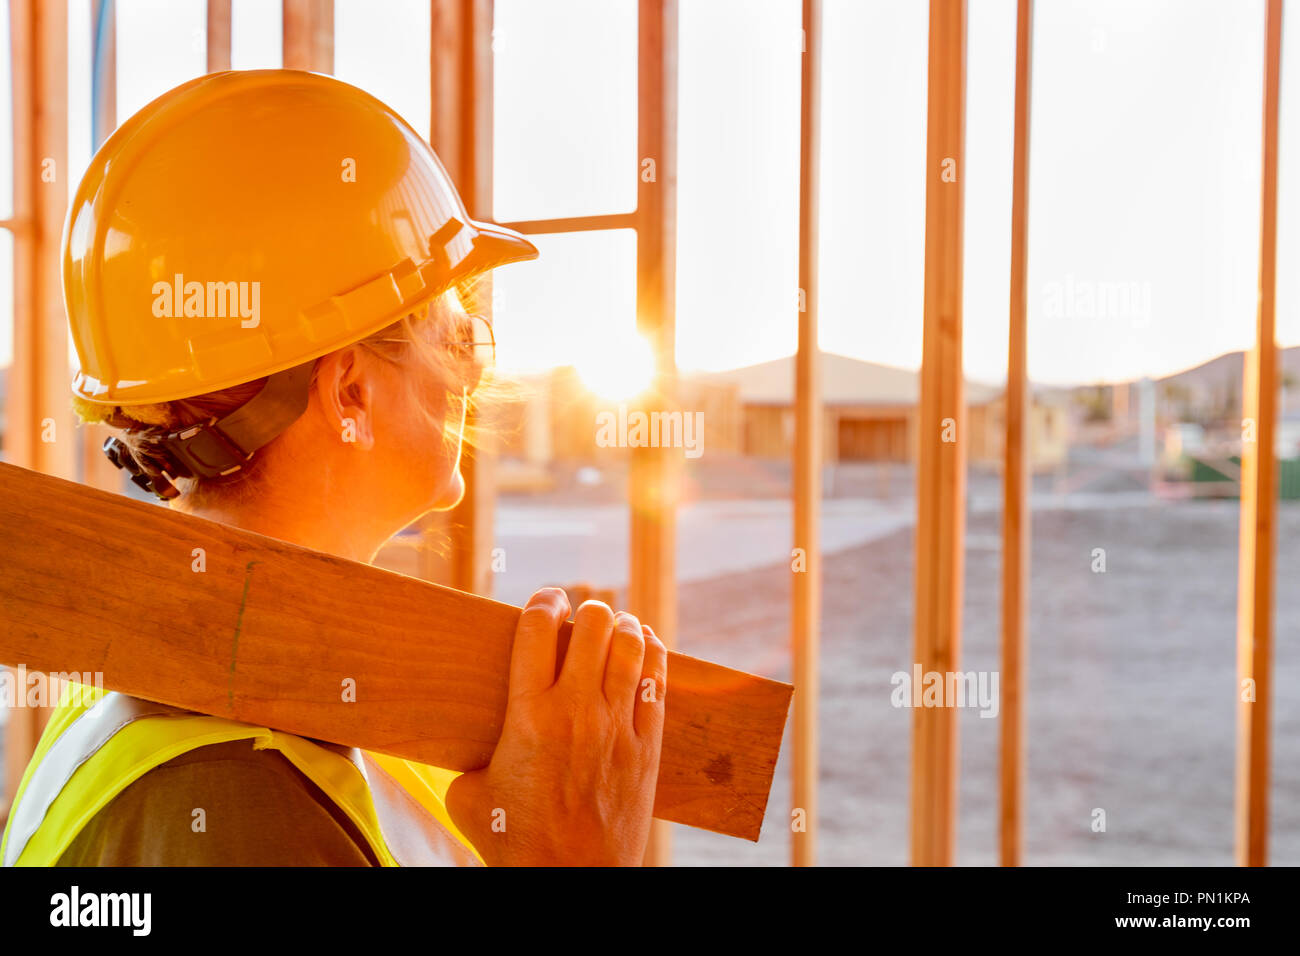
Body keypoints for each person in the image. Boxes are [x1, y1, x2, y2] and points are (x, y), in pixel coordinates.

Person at [0, 69, 666, 867]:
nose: (470, 374)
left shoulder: (215, 678)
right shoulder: (237, 804)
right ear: (351, 390)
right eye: (457, 339)